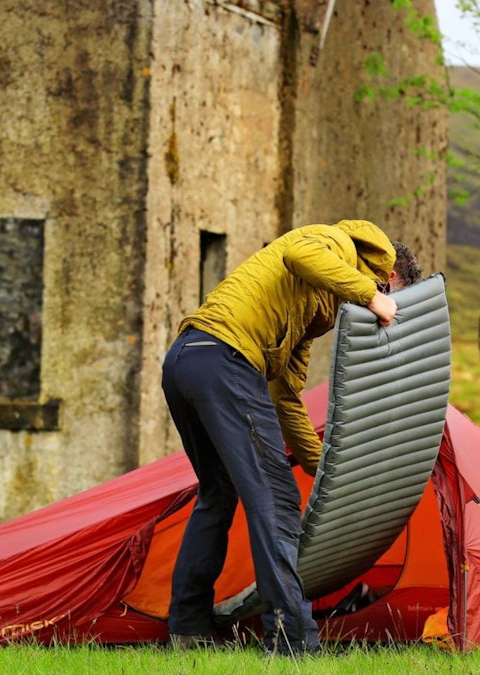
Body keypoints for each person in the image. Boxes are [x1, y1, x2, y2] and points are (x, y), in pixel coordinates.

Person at [161, 219, 422, 655]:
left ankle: (188, 629)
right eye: (390, 296)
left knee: (218, 495)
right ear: (390, 277)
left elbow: (285, 396)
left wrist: (322, 465)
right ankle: (292, 640)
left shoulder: (314, 307)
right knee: (277, 500)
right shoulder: (334, 240)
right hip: (225, 360)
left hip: (186, 362)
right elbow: (300, 256)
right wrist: (372, 297)